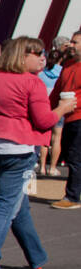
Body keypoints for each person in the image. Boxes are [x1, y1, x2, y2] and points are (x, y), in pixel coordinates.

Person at [0, 37, 75, 269]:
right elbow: (45, 120)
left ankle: (36, 256)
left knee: (18, 204)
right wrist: (63, 108)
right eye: (37, 53)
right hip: (19, 150)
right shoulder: (31, 82)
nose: (42, 57)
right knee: (6, 206)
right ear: (22, 55)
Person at [48, 29, 81, 210]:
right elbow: (57, 90)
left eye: (76, 42)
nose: (71, 45)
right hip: (68, 116)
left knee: (76, 158)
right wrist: (49, 109)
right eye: (71, 42)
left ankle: (72, 196)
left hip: (78, 115)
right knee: (72, 156)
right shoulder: (68, 65)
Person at [37, 35, 68, 177]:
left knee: (45, 137)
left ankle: (42, 166)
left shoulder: (41, 73)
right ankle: (52, 167)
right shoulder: (63, 73)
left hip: (43, 106)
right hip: (58, 107)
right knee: (57, 138)